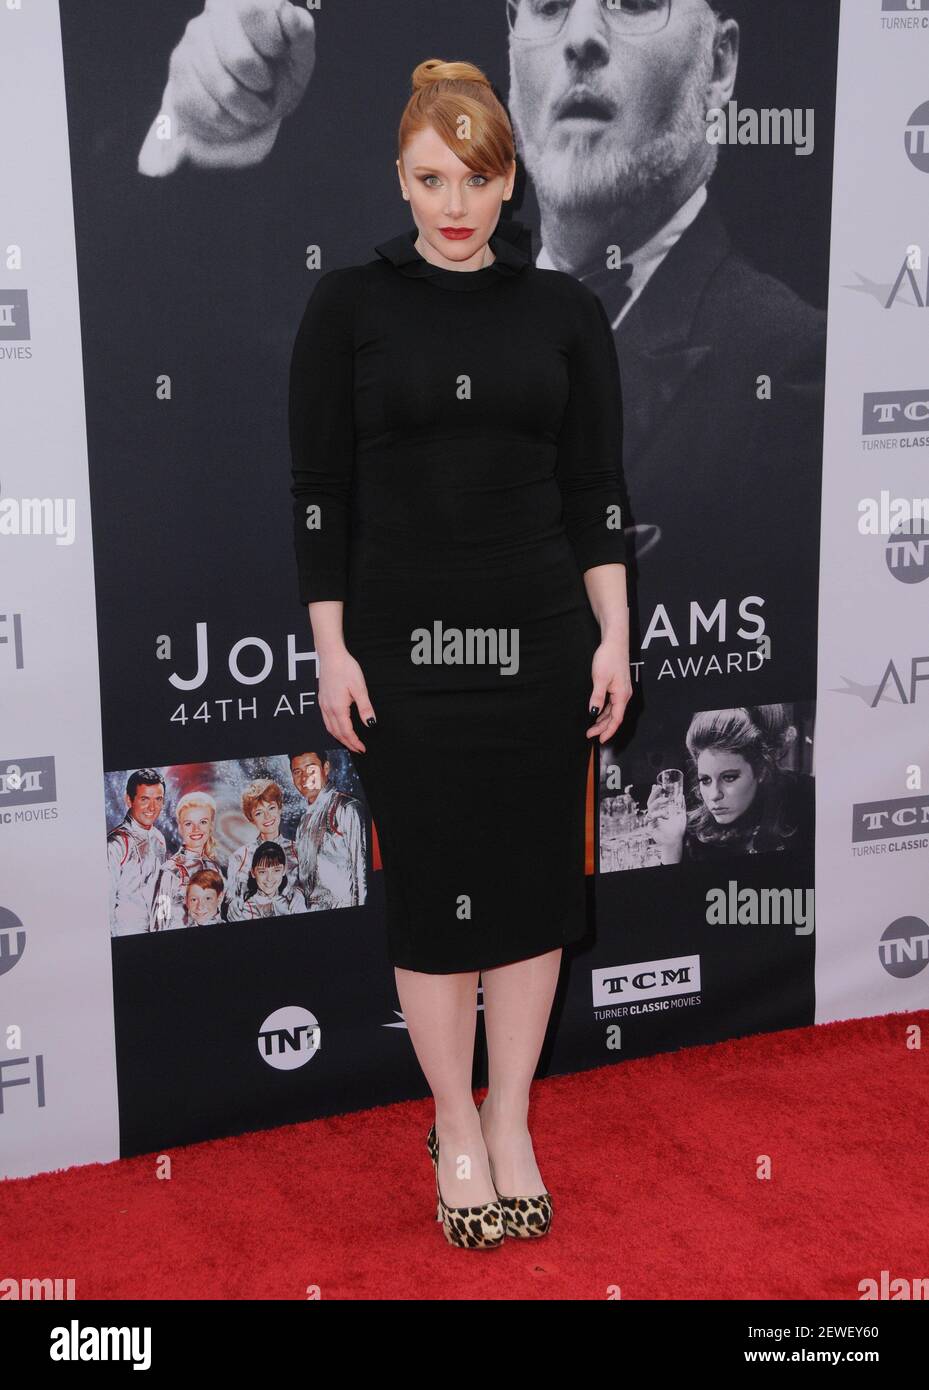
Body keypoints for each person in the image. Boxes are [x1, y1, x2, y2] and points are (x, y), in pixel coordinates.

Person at [288, 59, 631, 1248]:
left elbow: (593, 491)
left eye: (476, 177)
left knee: (532, 899)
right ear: (399, 174)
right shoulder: (348, 307)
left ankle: (512, 1115)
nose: (453, 203)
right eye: (430, 177)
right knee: (437, 902)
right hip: (404, 649)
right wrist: (330, 649)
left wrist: (614, 637)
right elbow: (320, 493)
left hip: (540, 642)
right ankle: (452, 1117)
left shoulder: (563, 311)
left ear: (507, 177)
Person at [646, 705, 814, 863]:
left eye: (729, 778)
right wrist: (671, 845)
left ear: (761, 770)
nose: (713, 795)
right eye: (705, 780)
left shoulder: (808, 803)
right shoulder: (696, 831)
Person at [289, 751, 367, 910]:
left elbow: (362, 873)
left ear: (325, 768)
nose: (304, 778)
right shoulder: (304, 821)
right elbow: (305, 874)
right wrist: (298, 892)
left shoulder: (346, 808)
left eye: (311, 769)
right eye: (298, 772)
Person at [225, 778, 301, 917]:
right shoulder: (240, 856)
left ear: (280, 808)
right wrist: (233, 901)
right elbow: (232, 895)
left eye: (271, 808)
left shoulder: (299, 851)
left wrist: (301, 894)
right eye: (259, 813)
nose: (267, 817)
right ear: (251, 819)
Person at [151, 791, 226, 930]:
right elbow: (159, 923)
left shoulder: (215, 867)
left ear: (211, 825)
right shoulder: (169, 871)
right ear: (180, 827)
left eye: (203, 822)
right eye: (188, 823)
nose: (196, 829)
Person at [106, 769, 168, 937]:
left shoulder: (159, 839)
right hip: (124, 934)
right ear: (129, 800)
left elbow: (163, 890)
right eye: (144, 799)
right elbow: (106, 902)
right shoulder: (116, 843)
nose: (152, 807)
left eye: (158, 799)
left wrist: (166, 927)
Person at [226, 840, 308, 920]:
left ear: (284, 870)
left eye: (276, 870)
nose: (269, 878)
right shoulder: (243, 910)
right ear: (253, 873)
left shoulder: (294, 905)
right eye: (262, 872)